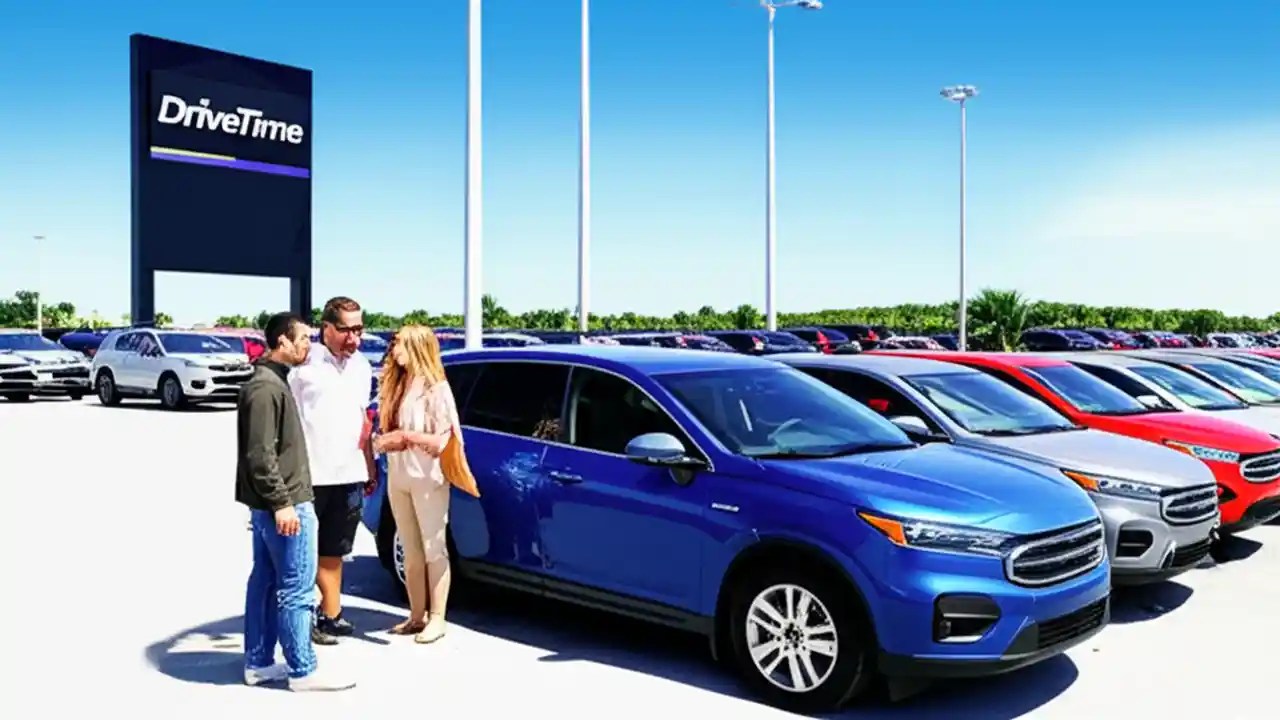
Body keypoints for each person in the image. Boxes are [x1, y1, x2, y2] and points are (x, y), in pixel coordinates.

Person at [237, 312, 355, 691]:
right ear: (282, 342)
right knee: (296, 588)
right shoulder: (266, 388)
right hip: (287, 502)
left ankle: (258, 662)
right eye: (303, 338)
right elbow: (260, 455)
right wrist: (282, 503)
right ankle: (302, 669)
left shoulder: (274, 382)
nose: (309, 344)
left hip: (277, 501)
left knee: (268, 582)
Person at [373, 326, 480, 643]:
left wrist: (406, 437)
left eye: (400, 343)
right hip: (399, 473)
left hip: (427, 476)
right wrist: (384, 442)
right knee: (409, 546)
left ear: (417, 346)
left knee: (435, 547)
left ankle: (438, 617)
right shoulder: (397, 383)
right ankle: (416, 615)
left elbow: (444, 440)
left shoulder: (436, 388)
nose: (394, 349)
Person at [287, 296, 377, 645]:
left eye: (358, 330)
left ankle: (331, 614)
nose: (353, 339)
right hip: (311, 476)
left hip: (349, 473)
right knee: (302, 551)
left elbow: (363, 421)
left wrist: (369, 467)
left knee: (335, 549)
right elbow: (289, 421)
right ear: (325, 328)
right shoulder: (303, 366)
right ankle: (301, 617)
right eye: (345, 330)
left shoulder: (362, 367)